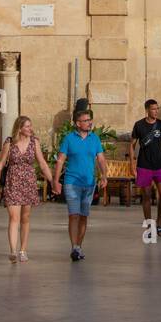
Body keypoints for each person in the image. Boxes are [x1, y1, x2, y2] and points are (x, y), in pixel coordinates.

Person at [0, 115, 59, 262]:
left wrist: (52, 181)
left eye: (30, 126)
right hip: (13, 182)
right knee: (13, 217)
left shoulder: (34, 142)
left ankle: (23, 250)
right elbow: (1, 163)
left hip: (29, 183)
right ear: (20, 128)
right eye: (27, 126)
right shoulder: (9, 142)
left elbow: (42, 164)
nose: (30, 129)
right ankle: (13, 251)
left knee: (25, 218)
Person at [53, 107, 107, 261]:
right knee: (73, 215)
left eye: (90, 120)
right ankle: (74, 247)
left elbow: (101, 159)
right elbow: (60, 160)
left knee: (84, 216)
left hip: (89, 183)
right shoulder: (69, 139)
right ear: (78, 123)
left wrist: (104, 176)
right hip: (71, 182)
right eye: (86, 120)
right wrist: (55, 181)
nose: (89, 123)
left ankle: (79, 246)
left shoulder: (95, 139)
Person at [129, 99, 161, 238]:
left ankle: (159, 221)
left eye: (157, 108)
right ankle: (149, 226)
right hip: (144, 165)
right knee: (146, 195)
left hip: (160, 165)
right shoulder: (139, 125)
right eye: (153, 109)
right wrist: (132, 164)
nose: (156, 111)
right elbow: (132, 145)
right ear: (147, 110)